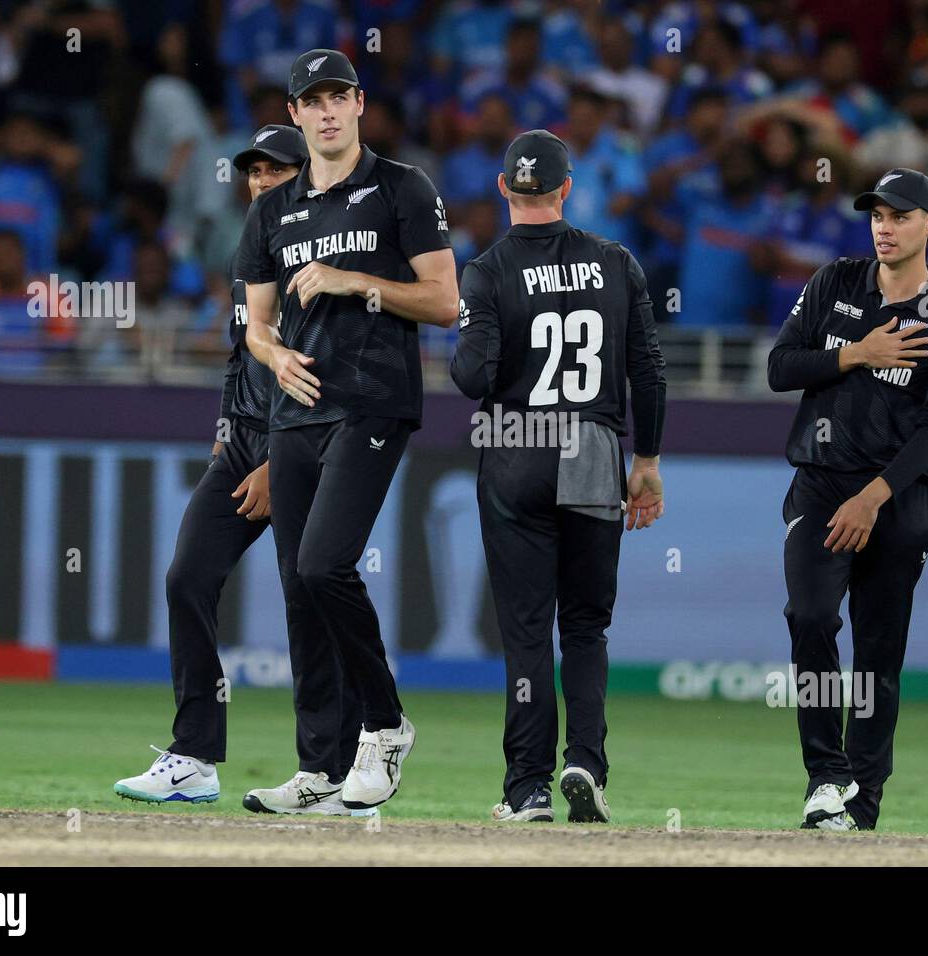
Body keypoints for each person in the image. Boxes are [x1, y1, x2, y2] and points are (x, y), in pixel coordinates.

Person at [238, 50, 458, 811]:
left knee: (326, 564)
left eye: (340, 97)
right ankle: (319, 770)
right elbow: (256, 328)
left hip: (373, 400)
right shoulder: (270, 209)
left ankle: (386, 725)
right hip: (295, 411)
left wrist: (355, 278)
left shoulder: (402, 187)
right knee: (300, 587)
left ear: (360, 105)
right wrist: (274, 358)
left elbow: (444, 303)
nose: (328, 111)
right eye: (313, 101)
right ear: (295, 114)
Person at [451, 129, 666, 823]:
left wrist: (473, 330)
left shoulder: (486, 271)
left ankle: (527, 788)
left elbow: (469, 378)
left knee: (524, 629)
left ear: (504, 190)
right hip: (594, 447)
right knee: (585, 627)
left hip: (518, 446)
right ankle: (587, 763)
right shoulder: (616, 262)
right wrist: (649, 461)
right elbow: (648, 372)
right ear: (567, 189)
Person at [767, 168, 928, 831]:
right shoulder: (835, 282)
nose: (884, 228)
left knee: (879, 660)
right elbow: (780, 368)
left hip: (895, 496)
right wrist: (856, 353)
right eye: (877, 216)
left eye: (899, 216)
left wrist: (874, 499)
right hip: (820, 481)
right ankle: (825, 778)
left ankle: (863, 807)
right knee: (810, 618)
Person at [112, 125, 312, 808]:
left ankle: (333, 767)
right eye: (254, 172)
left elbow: (326, 372)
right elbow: (241, 357)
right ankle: (195, 756)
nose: (261, 182)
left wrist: (279, 462)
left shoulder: (320, 256)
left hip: (304, 446)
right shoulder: (247, 251)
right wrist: (228, 438)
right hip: (243, 445)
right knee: (188, 577)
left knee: (312, 598)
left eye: (277, 171)